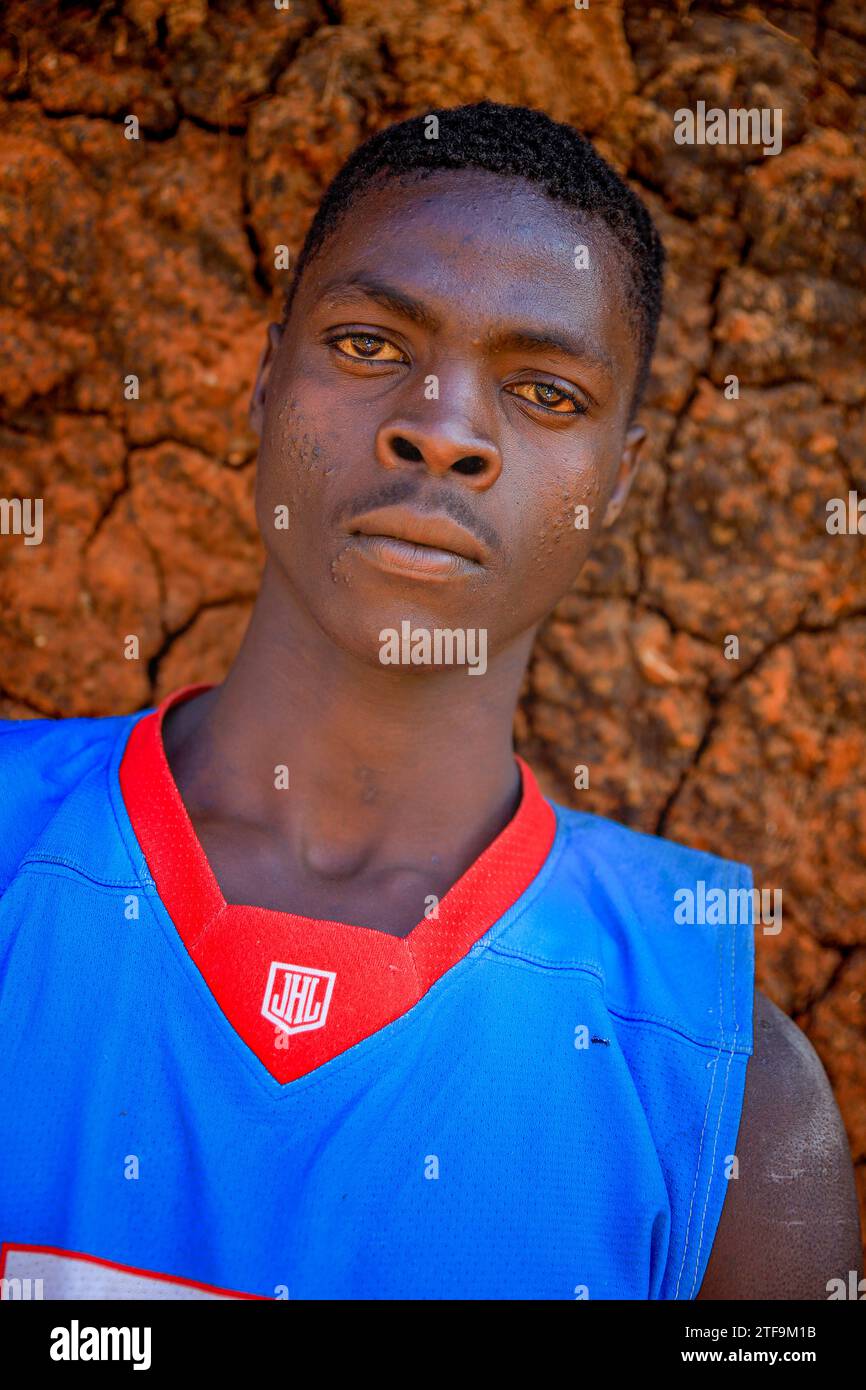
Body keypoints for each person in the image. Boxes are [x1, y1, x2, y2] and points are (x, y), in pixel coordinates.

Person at [0, 102, 860, 1301]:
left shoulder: (727, 1096)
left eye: (545, 391)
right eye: (367, 345)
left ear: (615, 481)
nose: (441, 428)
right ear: (264, 381)